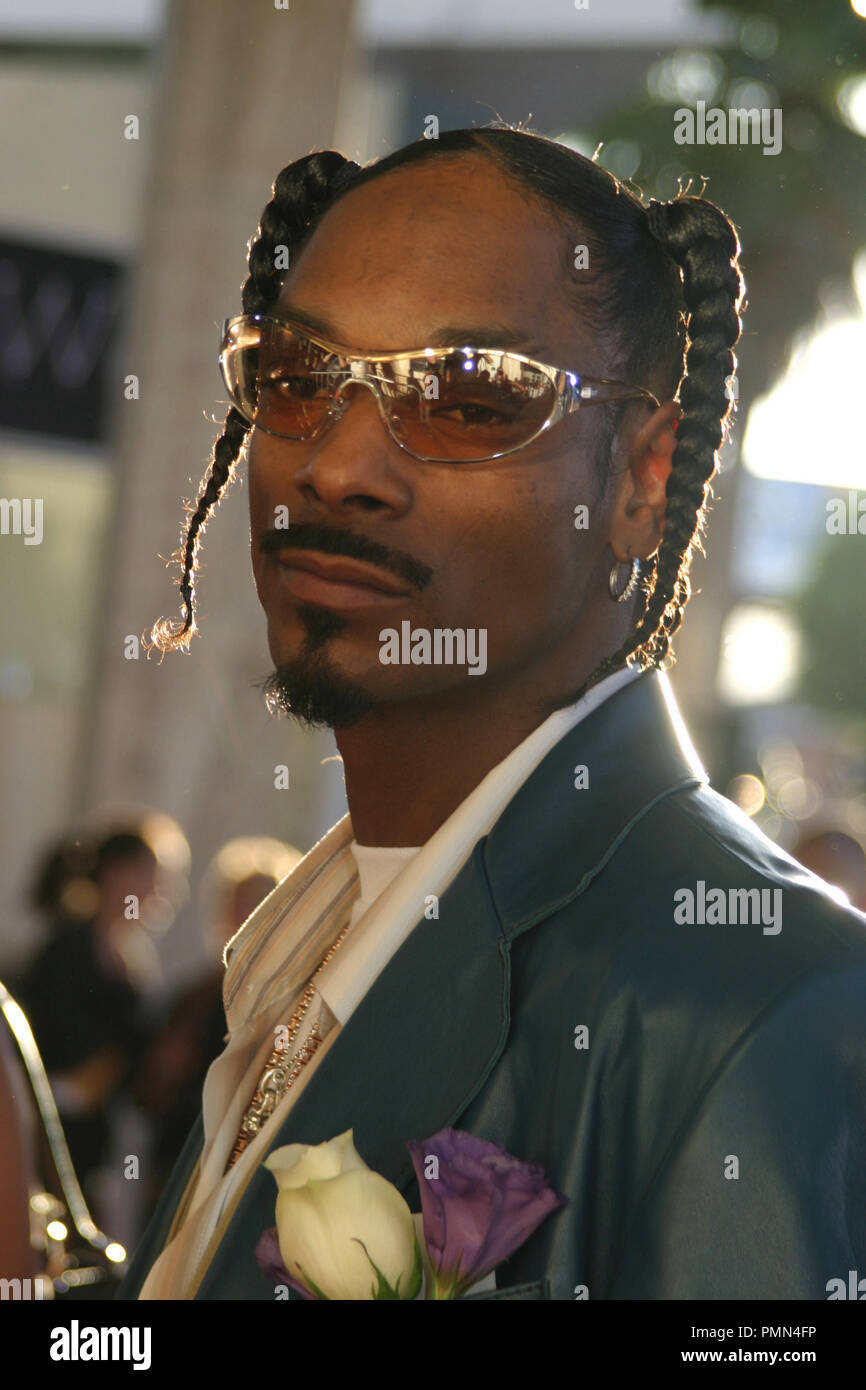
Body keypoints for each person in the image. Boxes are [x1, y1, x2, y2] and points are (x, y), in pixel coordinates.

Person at [118, 125, 866, 1301]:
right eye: (300, 376)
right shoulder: (313, 936)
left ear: (638, 480)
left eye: (467, 395)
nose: (338, 462)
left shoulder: (763, 1005)